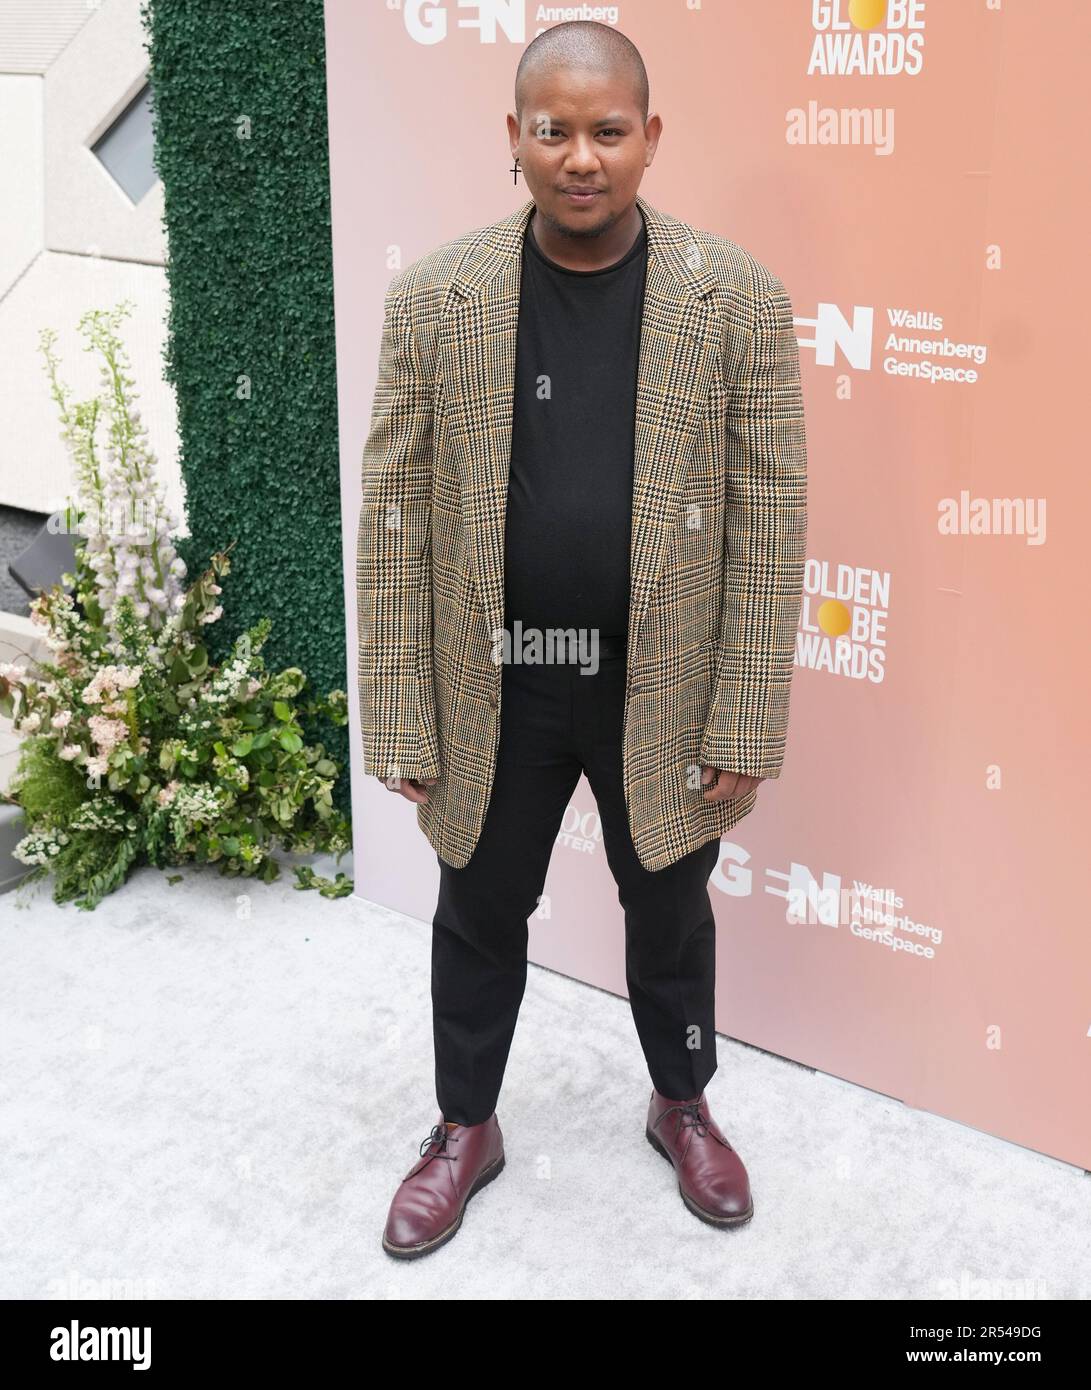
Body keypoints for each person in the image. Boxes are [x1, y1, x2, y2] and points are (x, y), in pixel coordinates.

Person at [356, 21, 808, 1260]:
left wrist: (743, 716)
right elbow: (392, 513)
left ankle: (683, 1100)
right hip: (492, 681)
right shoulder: (435, 300)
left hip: (658, 689)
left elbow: (768, 525)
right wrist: (396, 708)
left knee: (669, 910)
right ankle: (463, 1125)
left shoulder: (736, 300)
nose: (580, 158)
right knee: (475, 908)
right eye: (551, 131)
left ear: (648, 138)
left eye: (607, 131)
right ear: (513, 140)